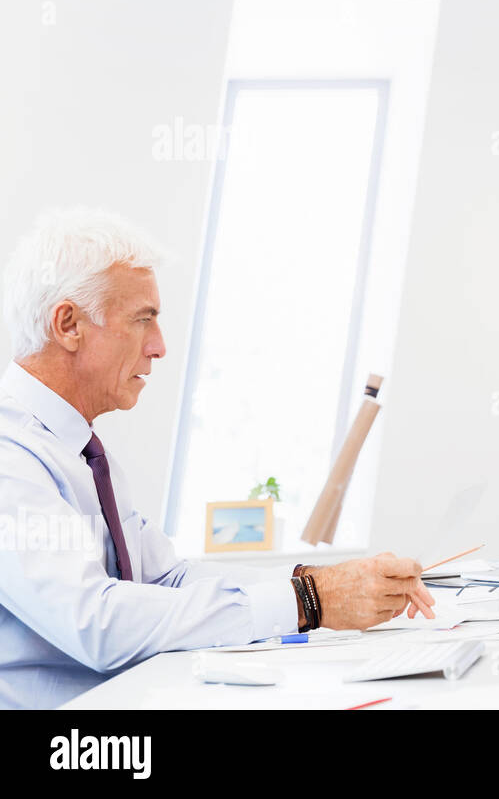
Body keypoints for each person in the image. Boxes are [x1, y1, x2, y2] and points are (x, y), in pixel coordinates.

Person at [0, 208, 435, 708]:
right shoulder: (10, 455)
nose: (160, 347)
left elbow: (168, 577)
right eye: (143, 319)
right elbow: (96, 622)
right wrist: (310, 602)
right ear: (69, 324)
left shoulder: (83, 453)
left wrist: (316, 582)